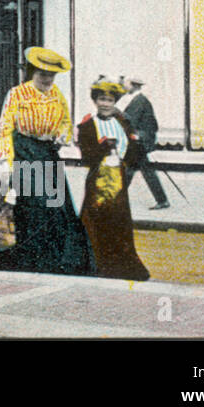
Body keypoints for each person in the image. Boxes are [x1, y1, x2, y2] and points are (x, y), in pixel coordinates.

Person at [0, 47, 95, 276]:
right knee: (33, 207)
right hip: (24, 150)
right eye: (42, 74)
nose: (47, 79)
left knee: (56, 206)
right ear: (33, 72)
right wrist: (7, 164)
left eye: (51, 75)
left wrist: (60, 137)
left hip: (48, 152)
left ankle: (56, 261)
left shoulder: (56, 95)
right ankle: (30, 260)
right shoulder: (17, 94)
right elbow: (5, 129)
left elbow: (66, 124)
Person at [77, 78, 151, 281]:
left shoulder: (123, 122)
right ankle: (93, 264)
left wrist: (137, 146)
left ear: (115, 102)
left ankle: (120, 265)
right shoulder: (87, 125)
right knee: (95, 219)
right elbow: (86, 156)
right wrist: (101, 148)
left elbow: (131, 153)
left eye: (110, 100)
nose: (105, 104)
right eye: (101, 99)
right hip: (97, 179)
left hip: (118, 178)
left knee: (118, 220)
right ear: (95, 100)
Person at [118, 74, 170, 210]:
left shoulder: (139, 101)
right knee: (135, 170)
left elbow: (131, 122)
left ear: (134, 85)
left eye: (126, 83)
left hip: (139, 143)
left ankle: (116, 200)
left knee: (132, 170)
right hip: (139, 142)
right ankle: (162, 200)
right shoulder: (138, 100)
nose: (124, 86)